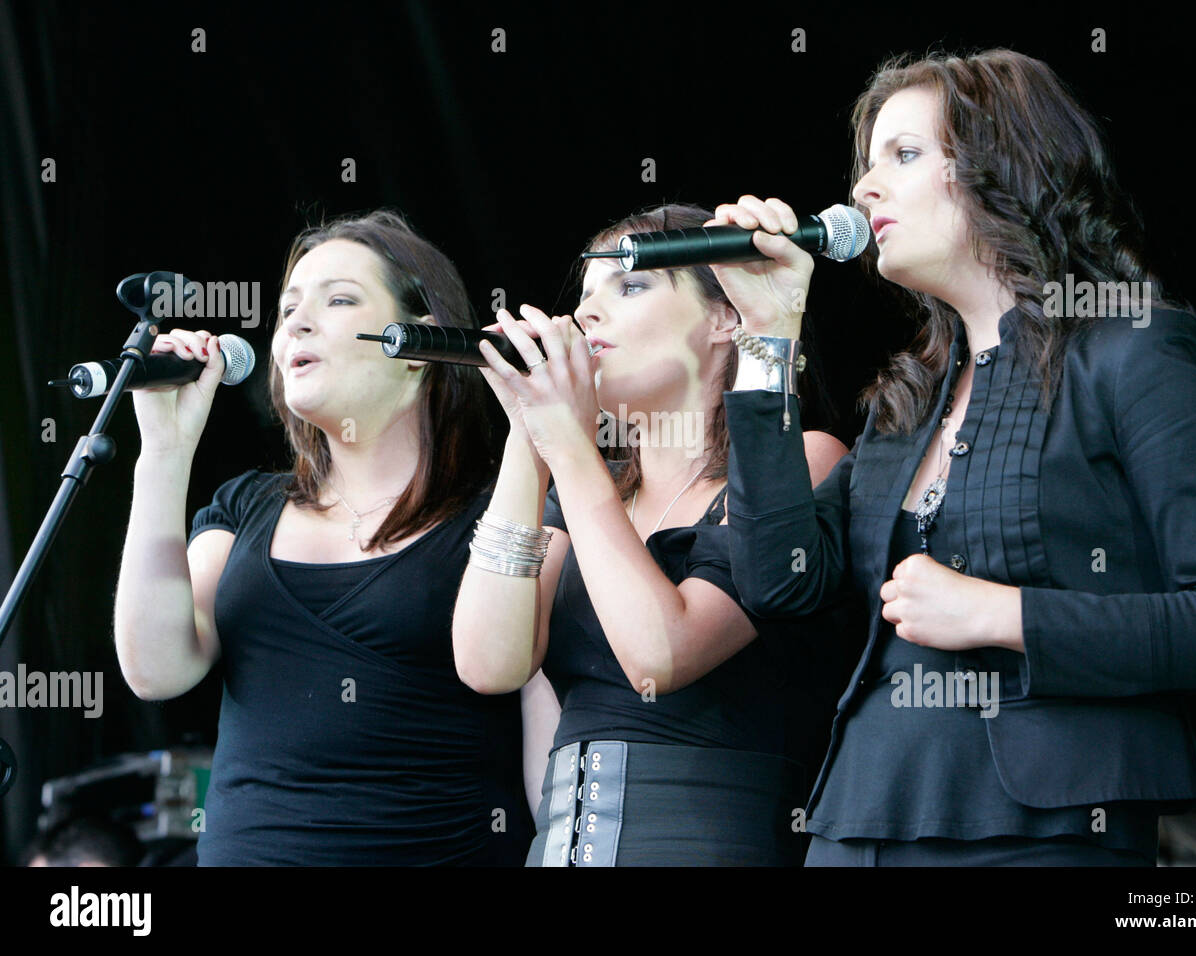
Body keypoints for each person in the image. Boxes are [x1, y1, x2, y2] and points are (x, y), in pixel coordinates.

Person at [709, 49, 1196, 866]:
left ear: (1003, 171)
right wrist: (768, 338)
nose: (863, 188)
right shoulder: (906, 401)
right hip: (859, 817)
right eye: (867, 164)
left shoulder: (1135, 352)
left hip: (1043, 828)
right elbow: (778, 579)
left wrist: (999, 615)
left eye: (903, 156)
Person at [114, 210, 535, 865]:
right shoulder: (246, 506)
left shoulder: (503, 510)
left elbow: (549, 756)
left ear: (419, 344)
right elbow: (155, 670)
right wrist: (164, 453)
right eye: (287, 310)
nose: (297, 324)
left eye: (338, 300)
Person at [453, 204, 860, 865]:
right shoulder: (589, 493)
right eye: (583, 298)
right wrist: (531, 439)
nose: (587, 315)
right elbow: (487, 663)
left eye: (630, 283)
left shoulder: (807, 461)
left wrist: (567, 445)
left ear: (726, 316)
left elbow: (661, 653)